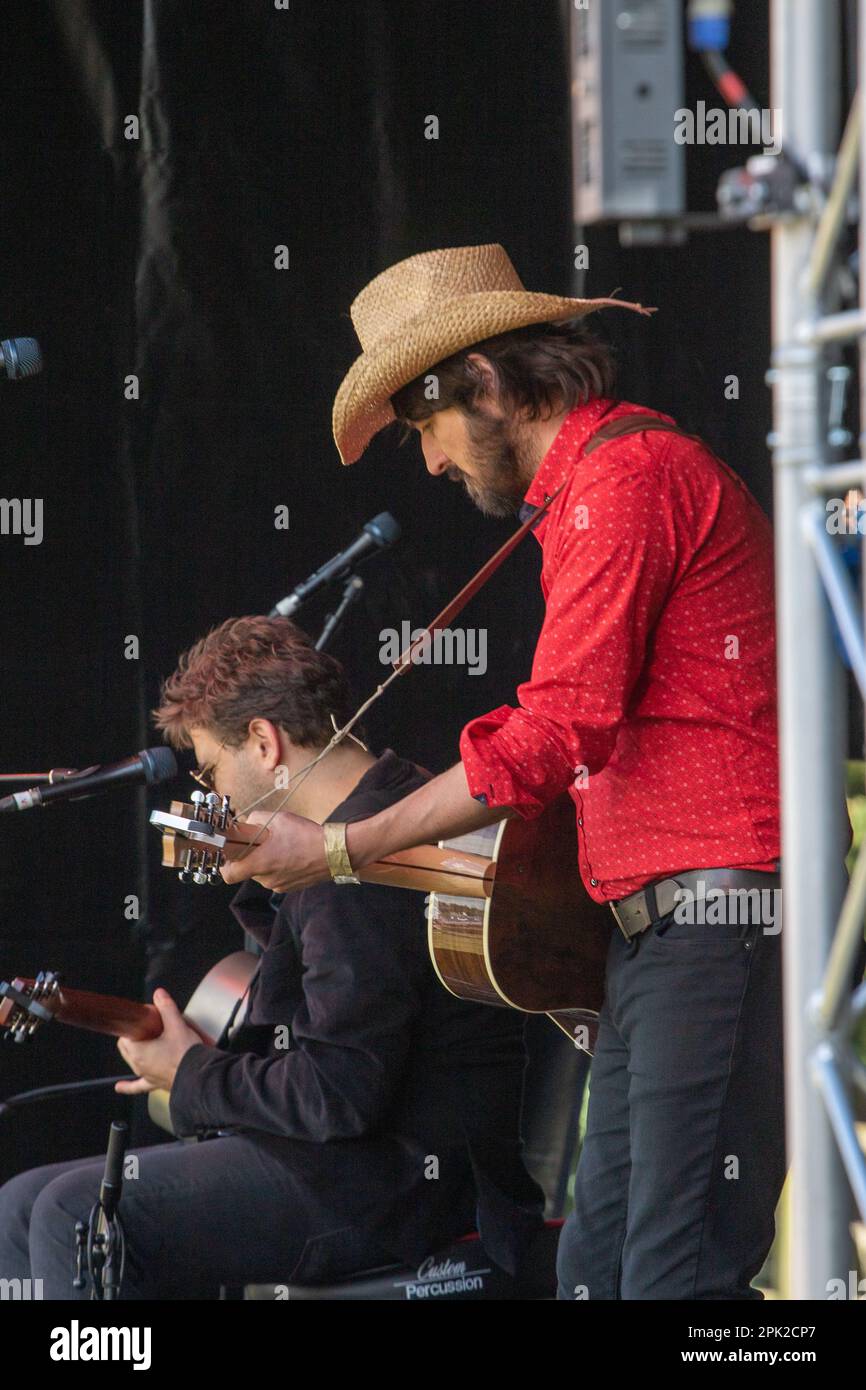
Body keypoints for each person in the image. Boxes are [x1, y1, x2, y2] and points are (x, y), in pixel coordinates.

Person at [219, 242, 795, 1300]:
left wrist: (340, 848)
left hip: (719, 911)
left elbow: (553, 732)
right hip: (662, 927)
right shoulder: (588, 493)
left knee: (675, 1272)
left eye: (425, 426)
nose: (430, 461)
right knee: (594, 1266)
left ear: (482, 382)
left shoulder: (624, 479)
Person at [0, 615, 544, 1299]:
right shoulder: (382, 807)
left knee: (72, 1213)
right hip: (370, 1162)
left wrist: (190, 1072)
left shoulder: (352, 865)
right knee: (23, 1204)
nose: (208, 795)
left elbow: (339, 1097)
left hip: (394, 1185)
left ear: (263, 740)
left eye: (209, 768)